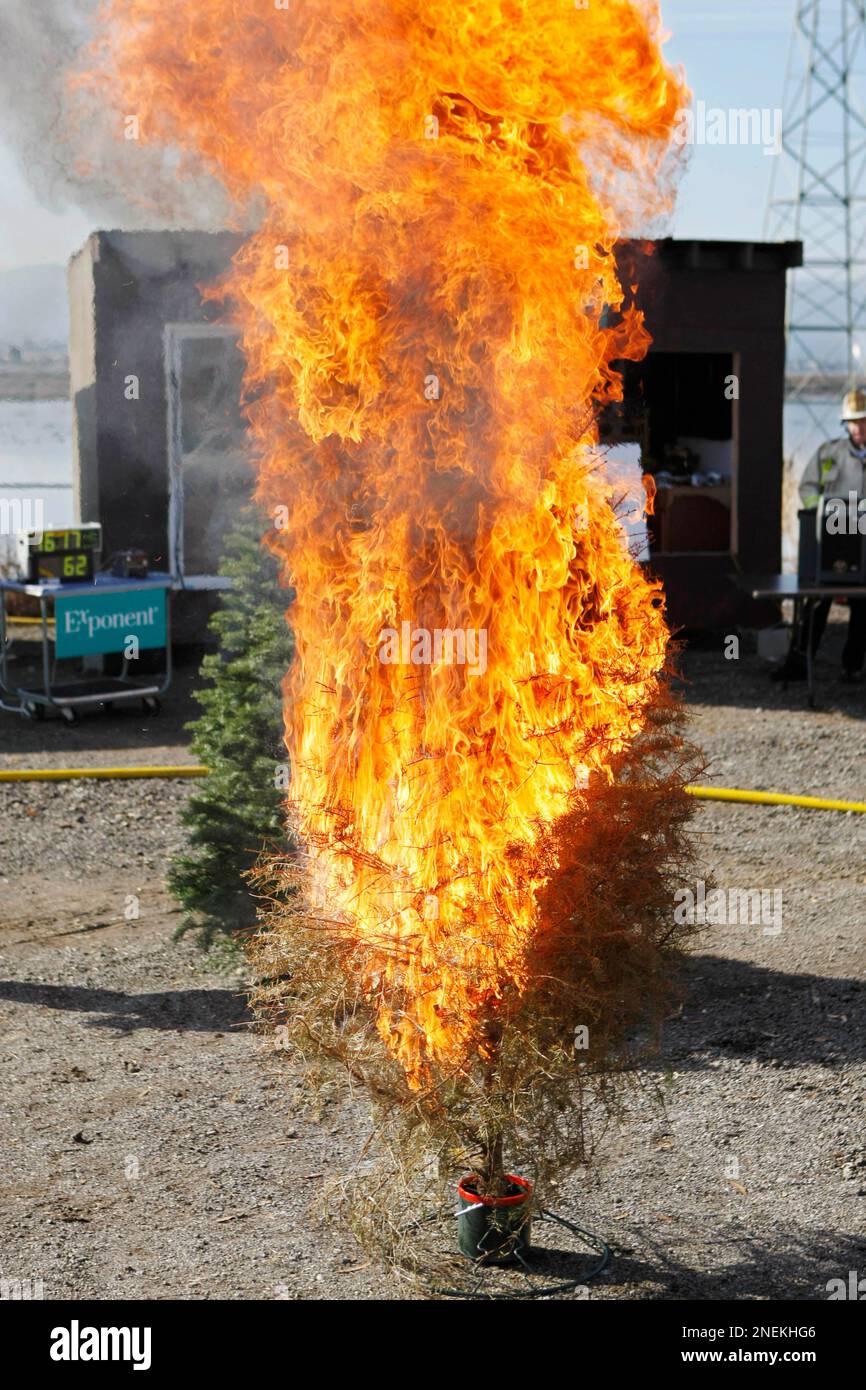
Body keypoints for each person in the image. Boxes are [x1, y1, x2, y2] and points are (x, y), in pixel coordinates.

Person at [773, 388, 866, 683]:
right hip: (829, 543)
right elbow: (808, 487)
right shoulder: (829, 454)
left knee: (862, 608)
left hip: (864, 546)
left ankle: (853, 668)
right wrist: (822, 514)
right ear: (845, 424)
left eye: (863, 421)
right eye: (853, 422)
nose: (858, 427)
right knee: (814, 604)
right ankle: (800, 664)